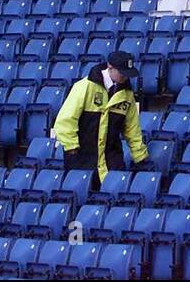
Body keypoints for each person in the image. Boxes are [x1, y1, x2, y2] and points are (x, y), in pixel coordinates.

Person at [52, 50, 153, 188]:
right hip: (82, 157)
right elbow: (65, 120)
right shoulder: (85, 87)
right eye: (122, 73)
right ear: (110, 67)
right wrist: (71, 148)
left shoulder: (127, 95)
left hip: (112, 158)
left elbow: (132, 128)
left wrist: (140, 156)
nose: (125, 77)